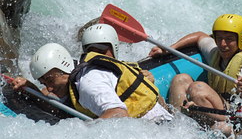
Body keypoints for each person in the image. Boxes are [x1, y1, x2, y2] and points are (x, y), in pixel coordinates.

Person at [12, 40, 173, 123]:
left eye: (50, 79)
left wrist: (83, 131)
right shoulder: (72, 78)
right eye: (42, 82)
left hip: (156, 126)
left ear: (64, 67)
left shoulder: (89, 83)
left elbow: (118, 114)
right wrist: (31, 89)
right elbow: (61, 110)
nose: (49, 87)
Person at [149, 14, 242, 124]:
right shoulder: (215, 53)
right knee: (180, 79)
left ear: (240, 40)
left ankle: (212, 129)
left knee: (198, 88)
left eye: (229, 39)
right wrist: (169, 48)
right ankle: (177, 125)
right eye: (219, 38)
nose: (223, 44)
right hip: (217, 103)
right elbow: (199, 36)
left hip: (233, 115)